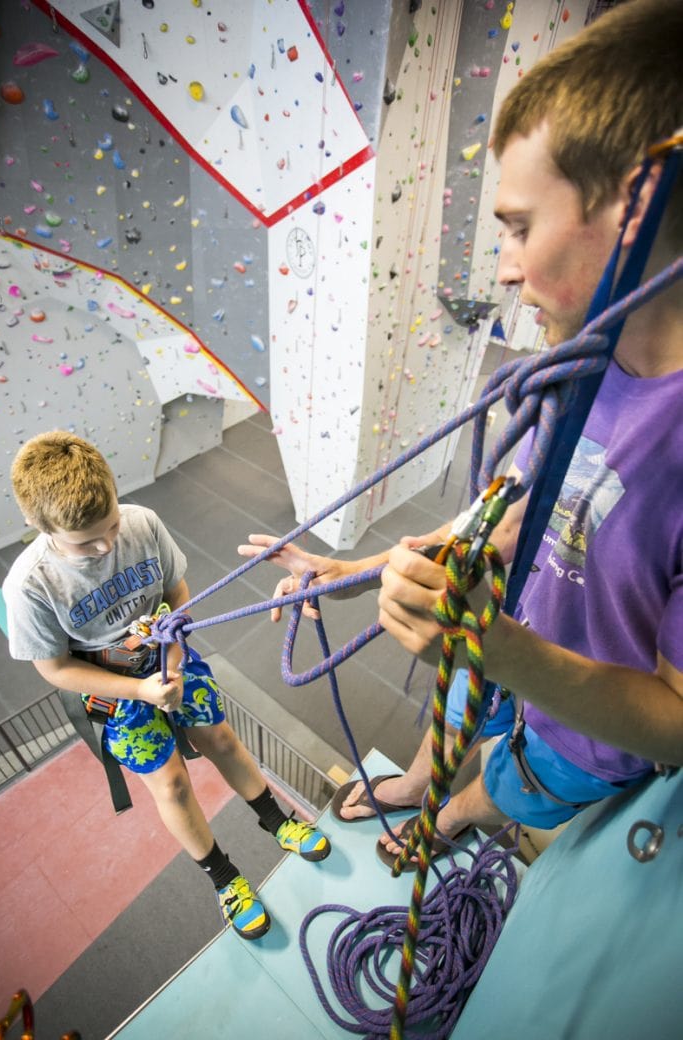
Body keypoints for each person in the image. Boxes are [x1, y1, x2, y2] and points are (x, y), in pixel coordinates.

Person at [240, 0, 683, 866]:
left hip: (581, 723)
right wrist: (352, 572)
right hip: (499, 637)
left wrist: (497, 646)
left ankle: (451, 817)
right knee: (454, 714)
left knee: (505, 781)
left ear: (638, 203)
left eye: (519, 227)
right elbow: (505, 515)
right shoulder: (572, 367)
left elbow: (674, 725)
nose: (507, 265)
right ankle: (419, 784)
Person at [3, 432, 331, 940]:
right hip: (115, 697)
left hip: (170, 657)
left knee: (222, 739)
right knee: (172, 783)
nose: (107, 544)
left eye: (110, 524)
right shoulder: (31, 585)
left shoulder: (142, 523)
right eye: (86, 542)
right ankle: (225, 881)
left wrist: (174, 659)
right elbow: (55, 669)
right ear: (39, 527)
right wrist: (141, 692)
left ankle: (278, 821)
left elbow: (176, 592)